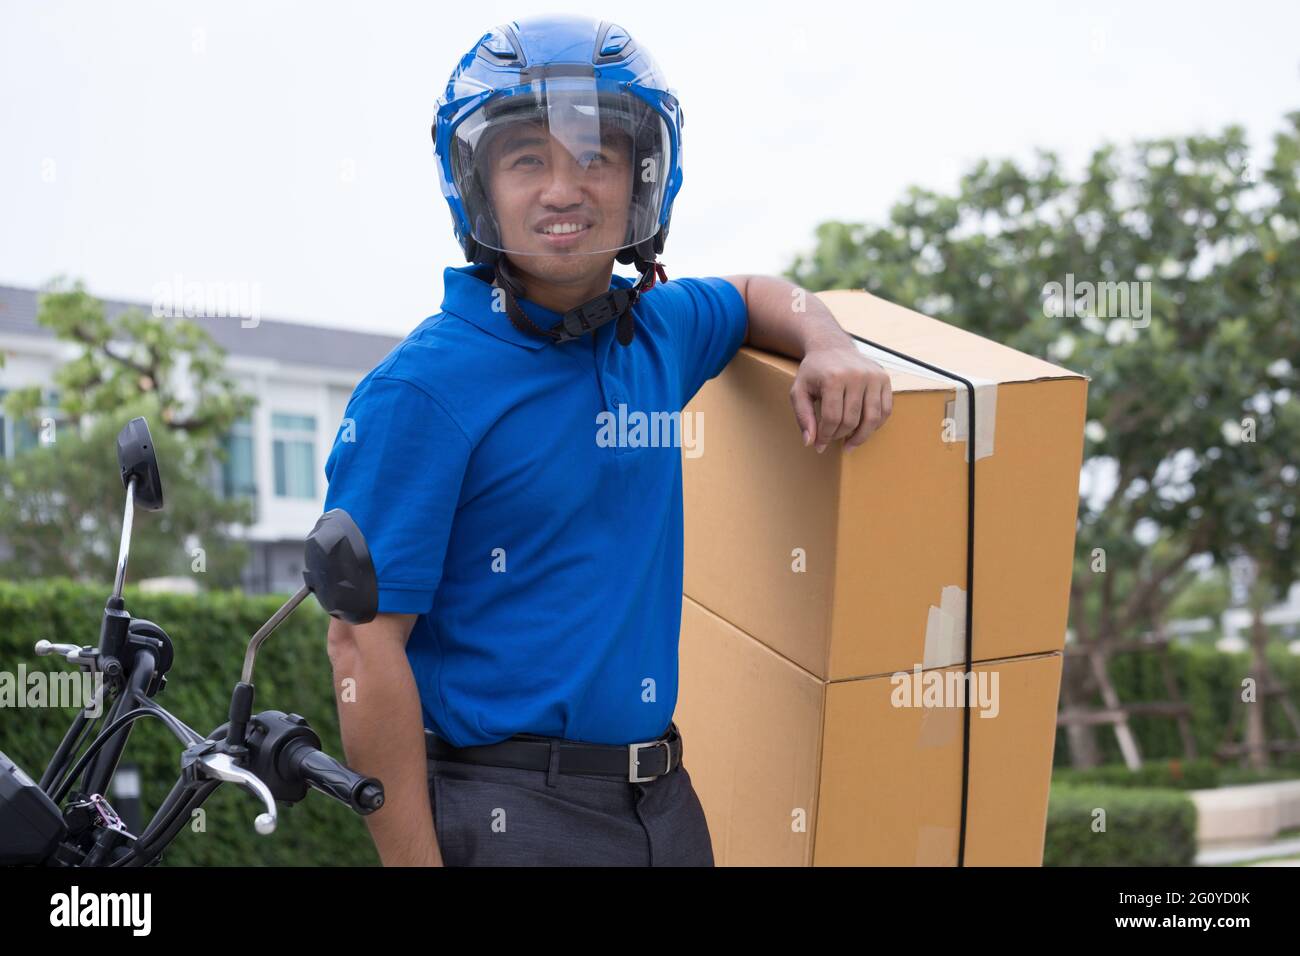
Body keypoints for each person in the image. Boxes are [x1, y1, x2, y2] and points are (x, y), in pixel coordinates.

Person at [322, 14, 892, 867]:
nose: (565, 188)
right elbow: (362, 644)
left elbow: (750, 293)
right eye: (527, 160)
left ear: (643, 179)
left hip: (664, 802)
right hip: (510, 809)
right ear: (476, 183)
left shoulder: (657, 330)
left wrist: (828, 340)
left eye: (596, 157)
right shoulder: (421, 391)